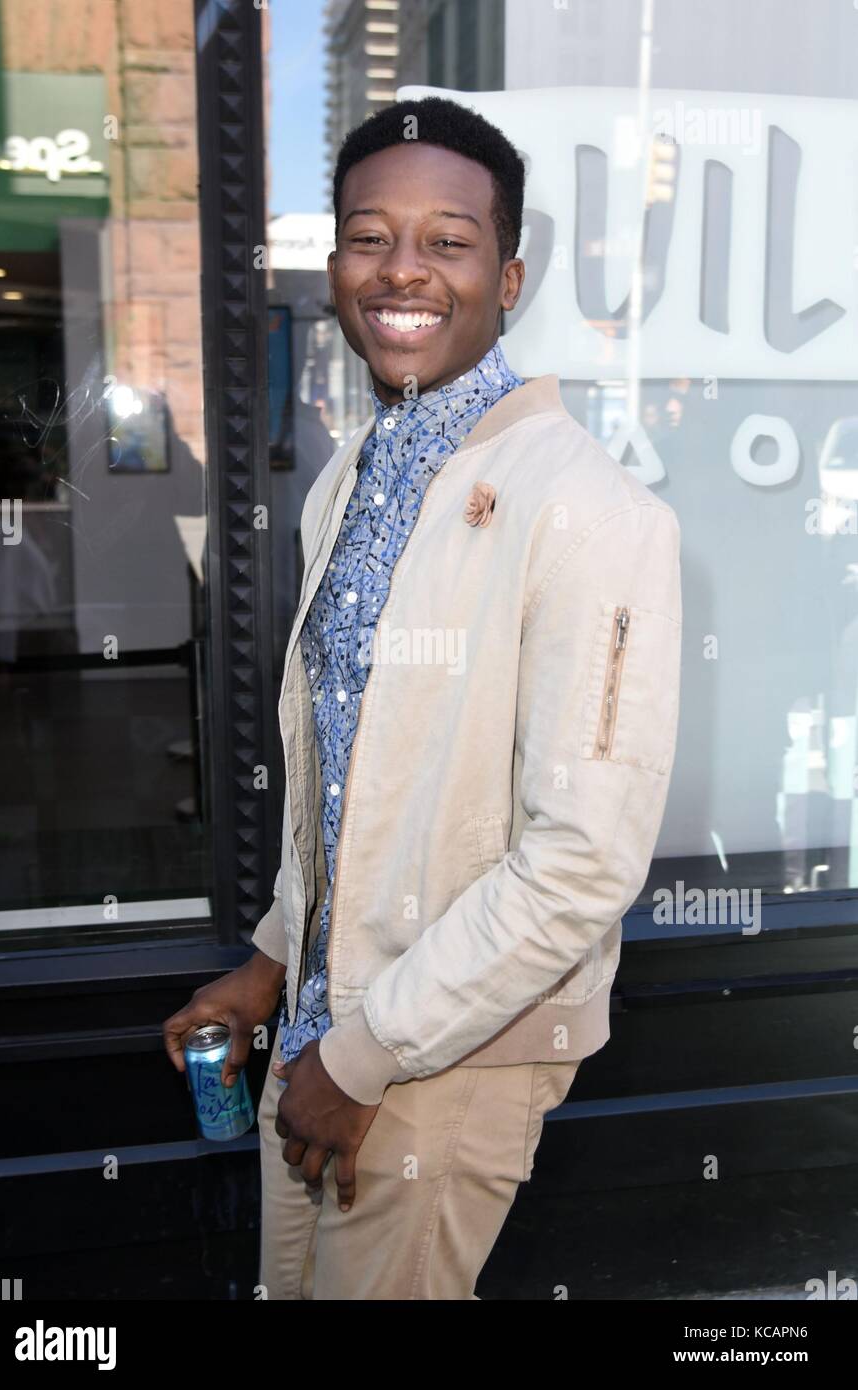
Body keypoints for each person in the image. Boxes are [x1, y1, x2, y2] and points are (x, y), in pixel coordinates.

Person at [164, 96, 683, 1300]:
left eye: (446, 242)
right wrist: (269, 963)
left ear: (505, 278)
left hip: (440, 1060)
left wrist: (361, 1056)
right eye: (368, 235)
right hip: (317, 1041)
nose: (401, 269)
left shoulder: (589, 510)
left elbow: (581, 863)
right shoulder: (355, 469)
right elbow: (351, 778)